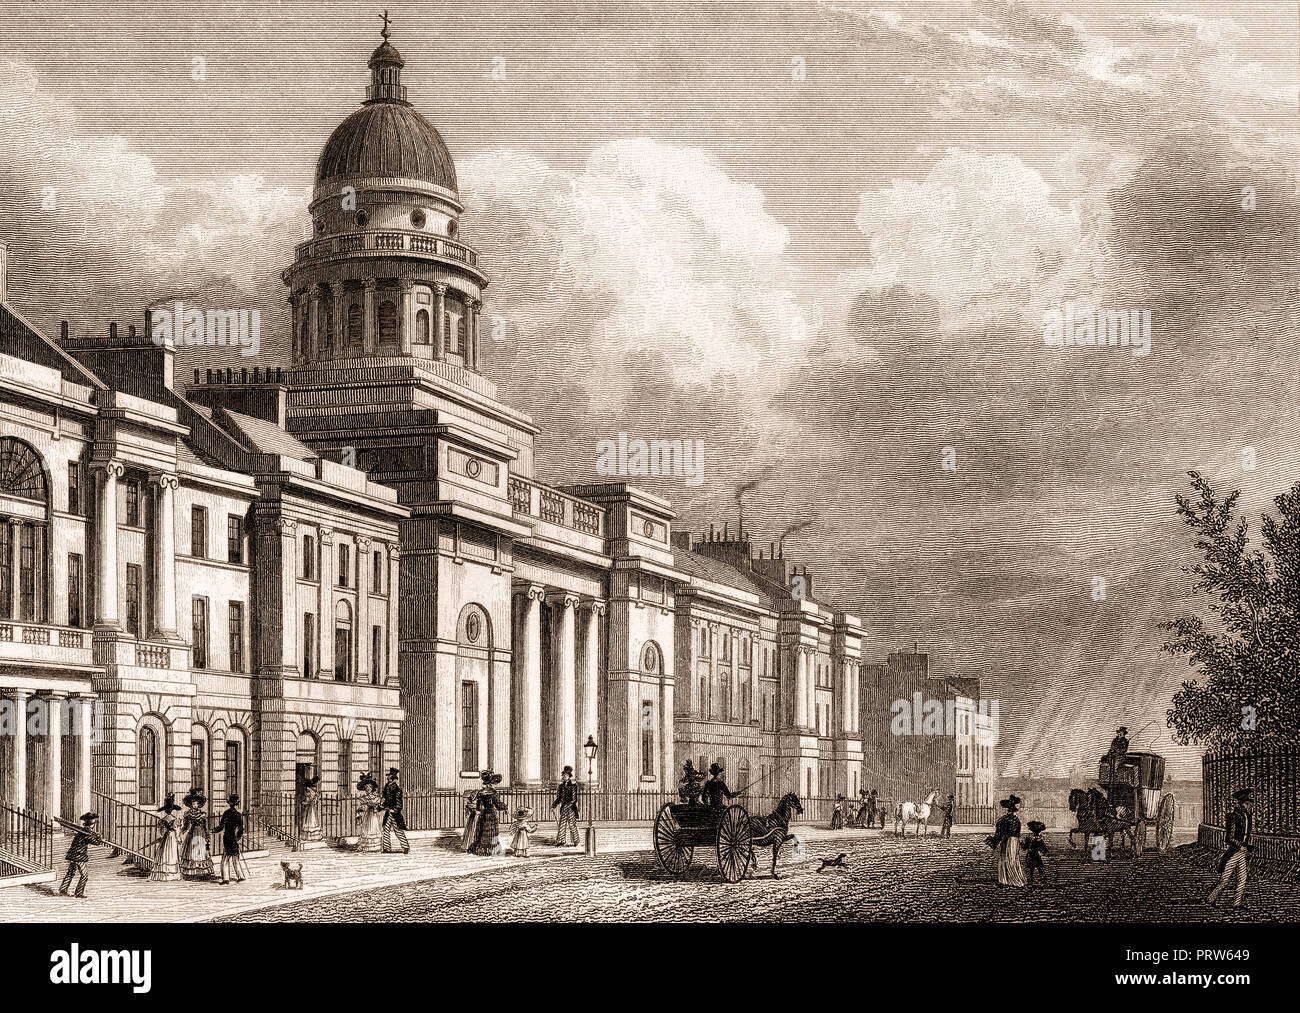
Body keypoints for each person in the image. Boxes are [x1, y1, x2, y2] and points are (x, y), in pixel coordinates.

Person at [1208, 787, 1255, 909]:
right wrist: (1241, 846)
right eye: (1247, 804)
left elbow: (1245, 836)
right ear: (1241, 804)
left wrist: (1247, 847)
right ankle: (1211, 898)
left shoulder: (1247, 817)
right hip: (1234, 852)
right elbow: (1229, 838)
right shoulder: (1233, 817)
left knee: (1243, 878)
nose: (1249, 806)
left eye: (1250, 804)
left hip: (1242, 852)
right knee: (1225, 879)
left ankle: (1237, 903)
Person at [58, 811, 103, 898]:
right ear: (92, 824)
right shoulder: (87, 833)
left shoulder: (84, 831)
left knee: (70, 873)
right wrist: (99, 837)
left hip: (73, 855)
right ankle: (78, 893)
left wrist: (95, 835)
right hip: (79, 856)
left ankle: (63, 889)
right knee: (84, 875)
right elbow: (96, 842)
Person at [987, 795, 1026, 887]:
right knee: (1012, 860)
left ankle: (1005, 880)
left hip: (1008, 841)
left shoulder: (1003, 819)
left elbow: (999, 834)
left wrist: (993, 842)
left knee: (1005, 859)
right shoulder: (1016, 820)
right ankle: (1012, 879)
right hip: (1014, 841)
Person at [179, 789, 213, 879]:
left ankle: (202, 872)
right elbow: (185, 827)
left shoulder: (203, 814)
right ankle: (192, 872)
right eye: (194, 804)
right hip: (192, 834)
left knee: (201, 852)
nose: (195, 805)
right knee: (192, 852)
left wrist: (207, 836)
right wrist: (180, 833)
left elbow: (205, 827)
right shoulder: (188, 814)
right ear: (191, 804)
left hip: (201, 834)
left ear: (199, 804)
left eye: (197, 803)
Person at [215, 794, 249, 884]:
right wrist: (237, 838)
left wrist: (213, 831)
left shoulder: (226, 813)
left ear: (229, 803)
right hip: (233, 838)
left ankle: (226, 878)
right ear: (237, 803)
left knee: (225, 859)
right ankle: (240, 876)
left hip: (227, 837)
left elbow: (221, 826)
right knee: (236, 858)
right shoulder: (238, 814)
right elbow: (241, 829)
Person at [471, 772, 506, 855]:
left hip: (483, 814)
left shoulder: (480, 792)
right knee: (491, 831)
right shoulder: (493, 792)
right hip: (491, 813)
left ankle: (481, 850)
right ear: (491, 783)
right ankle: (491, 849)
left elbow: (478, 807)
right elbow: (498, 805)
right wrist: (504, 806)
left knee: (482, 830)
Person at [149, 794, 183, 882]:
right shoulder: (175, 820)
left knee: (164, 853)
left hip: (165, 837)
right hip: (172, 837)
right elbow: (177, 831)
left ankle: (163, 874)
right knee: (172, 853)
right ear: (172, 810)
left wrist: (162, 836)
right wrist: (179, 839)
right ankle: (172, 874)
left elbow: (160, 832)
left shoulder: (163, 820)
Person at [381, 767, 410, 854]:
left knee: (398, 831)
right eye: (388, 776)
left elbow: (399, 804)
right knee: (385, 829)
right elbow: (385, 799)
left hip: (395, 813)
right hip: (388, 812)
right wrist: (382, 806)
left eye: (389, 776)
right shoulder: (386, 787)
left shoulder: (397, 790)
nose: (387, 778)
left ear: (393, 778)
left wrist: (395, 810)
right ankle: (386, 848)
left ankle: (405, 847)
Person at [354, 773, 384, 853]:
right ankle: (366, 847)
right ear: (364, 788)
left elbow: (380, 805)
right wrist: (360, 811)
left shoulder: (376, 797)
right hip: (367, 815)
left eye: (370, 787)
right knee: (367, 829)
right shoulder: (363, 798)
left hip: (374, 815)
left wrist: (376, 807)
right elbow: (360, 808)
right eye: (366, 787)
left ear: (372, 788)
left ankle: (375, 847)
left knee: (374, 828)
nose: (368, 788)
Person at [552, 766, 580, 847]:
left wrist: (568, 806)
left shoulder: (573, 786)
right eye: (563, 775)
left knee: (572, 825)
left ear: (569, 776)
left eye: (565, 775)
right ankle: (561, 841)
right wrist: (554, 805)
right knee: (562, 824)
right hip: (564, 808)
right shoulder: (561, 786)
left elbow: (574, 799)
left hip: (571, 808)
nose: (563, 777)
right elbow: (559, 798)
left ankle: (576, 841)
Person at [462, 773, 487, 853]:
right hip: (475, 817)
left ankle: (469, 846)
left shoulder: (473, 803)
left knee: (471, 832)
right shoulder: (475, 802)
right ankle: (470, 846)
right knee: (473, 832)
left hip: (473, 817)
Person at [1024, 820, 1049, 885]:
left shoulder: (1029, 838)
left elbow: (1025, 847)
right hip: (1036, 854)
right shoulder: (1039, 838)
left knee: (1031, 867)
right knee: (1039, 866)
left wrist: (1022, 844)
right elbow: (1043, 847)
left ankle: (1031, 879)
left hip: (1030, 854)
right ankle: (1042, 877)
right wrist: (1045, 852)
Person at [300, 774, 322, 843]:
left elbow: (308, 800)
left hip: (310, 807)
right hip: (312, 807)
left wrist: (304, 803)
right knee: (313, 821)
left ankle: (308, 836)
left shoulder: (308, 790)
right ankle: (314, 836)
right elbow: (314, 799)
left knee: (309, 821)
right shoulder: (314, 790)